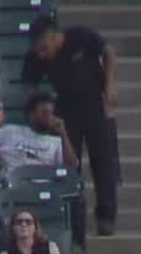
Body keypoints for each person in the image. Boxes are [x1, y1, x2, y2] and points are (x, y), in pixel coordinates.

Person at [21, 16, 121, 236]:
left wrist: (110, 84)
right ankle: (73, 219)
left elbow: (108, 51)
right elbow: (28, 85)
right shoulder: (36, 57)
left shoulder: (80, 36)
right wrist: (41, 108)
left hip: (96, 106)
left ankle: (106, 217)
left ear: (54, 37)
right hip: (66, 111)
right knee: (68, 168)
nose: (42, 54)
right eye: (38, 50)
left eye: (45, 48)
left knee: (104, 164)